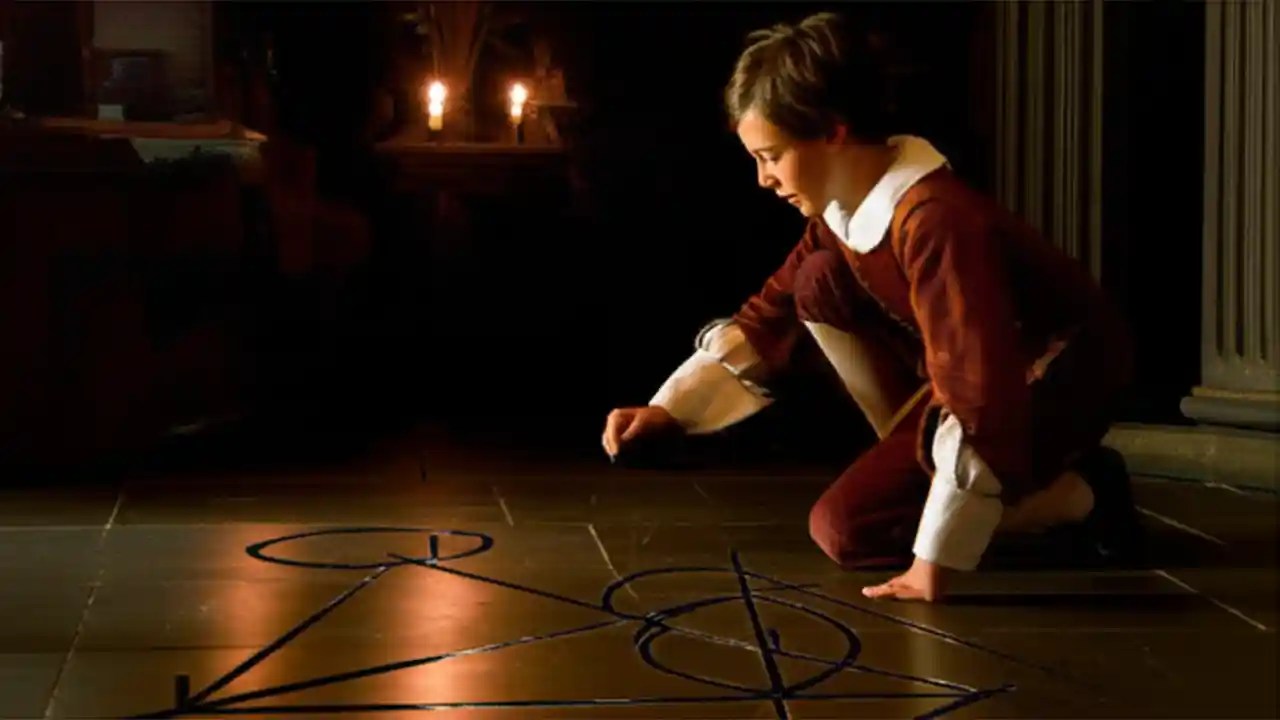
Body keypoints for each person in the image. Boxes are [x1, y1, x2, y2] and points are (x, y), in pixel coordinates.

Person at [600, 12, 1142, 603]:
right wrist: (669, 410)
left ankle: (1084, 494)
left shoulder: (935, 219)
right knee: (817, 279)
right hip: (968, 374)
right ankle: (945, 472)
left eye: (772, 155)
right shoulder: (839, 212)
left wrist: (933, 565)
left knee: (847, 530)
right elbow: (773, 311)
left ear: (833, 131)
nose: (762, 179)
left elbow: (980, 381)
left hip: (1047, 376)